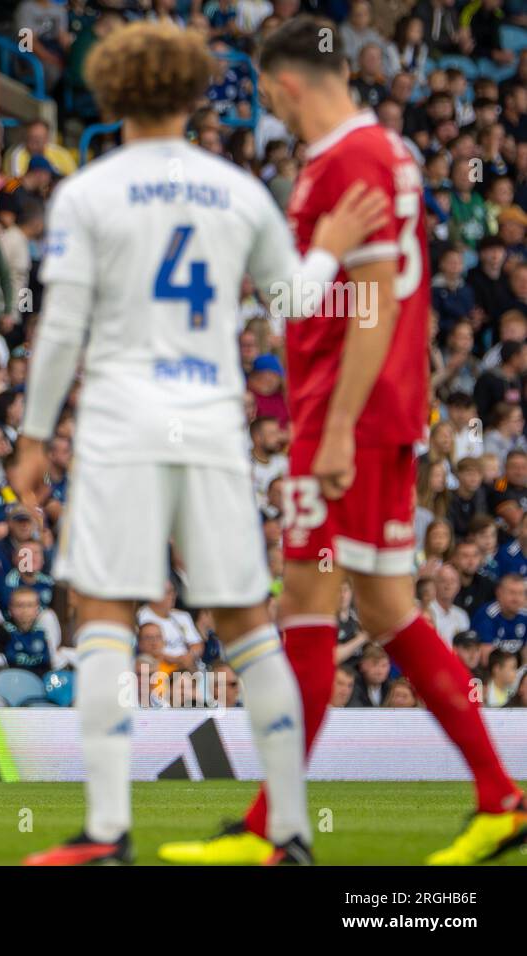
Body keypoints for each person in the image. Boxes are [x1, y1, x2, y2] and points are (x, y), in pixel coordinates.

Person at [13, 21, 391, 867]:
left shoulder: (89, 192)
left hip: (119, 419)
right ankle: (290, 833)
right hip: (214, 420)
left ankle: (108, 833)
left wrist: (34, 437)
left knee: (105, 614)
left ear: (111, 94)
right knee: (250, 625)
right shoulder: (238, 191)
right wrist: (328, 252)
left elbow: (63, 328)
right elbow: (295, 305)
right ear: (194, 95)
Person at [163, 16, 526, 868]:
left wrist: (330, 429)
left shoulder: (348, 162)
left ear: (286, 85)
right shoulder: (386, 152)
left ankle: (273, 829)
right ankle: (499, 798)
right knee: (386, 608)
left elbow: (371, 301)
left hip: (347, 422)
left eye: (267, 93)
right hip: (376, 416)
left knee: (306, 611)